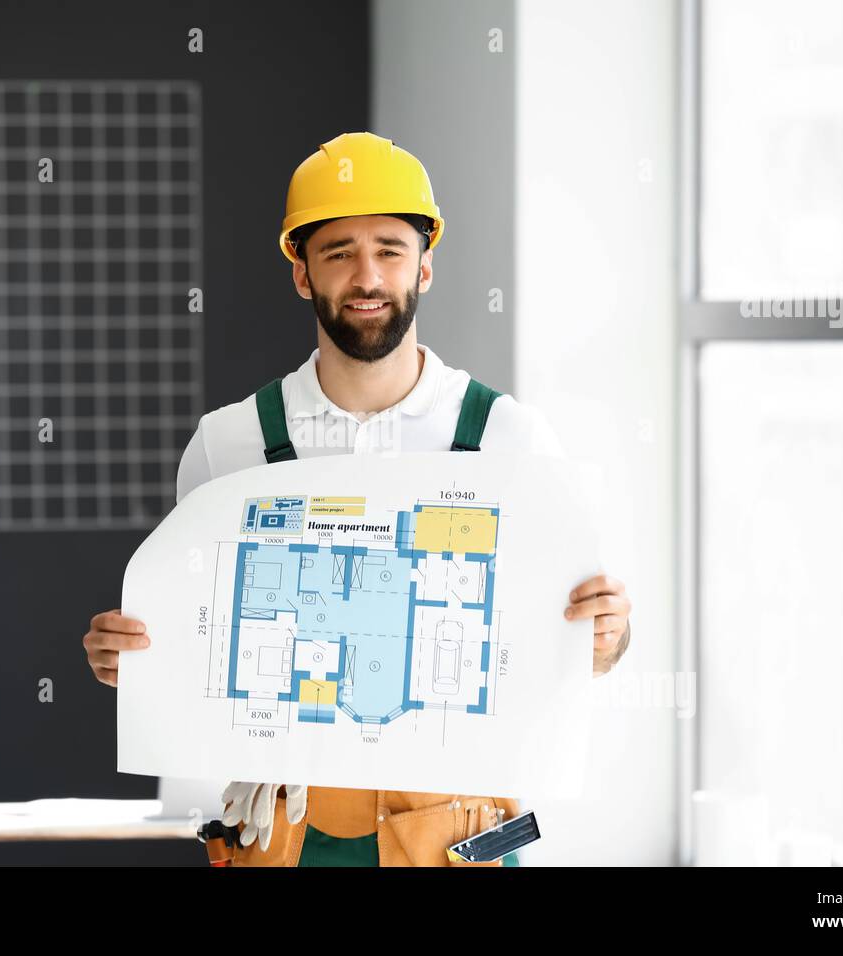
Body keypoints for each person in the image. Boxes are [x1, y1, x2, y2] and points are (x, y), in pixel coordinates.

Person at [83, 132, 632, 866]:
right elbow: (191, 652)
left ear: (425, 266)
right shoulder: (230, 446)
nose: (367, 276)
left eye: (390, 250)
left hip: (456, 843)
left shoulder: (511, 442)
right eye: (339, 252)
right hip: (283, 836)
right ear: (302, 274)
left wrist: (608, 639)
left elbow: (581, 650)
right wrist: (132, 660)